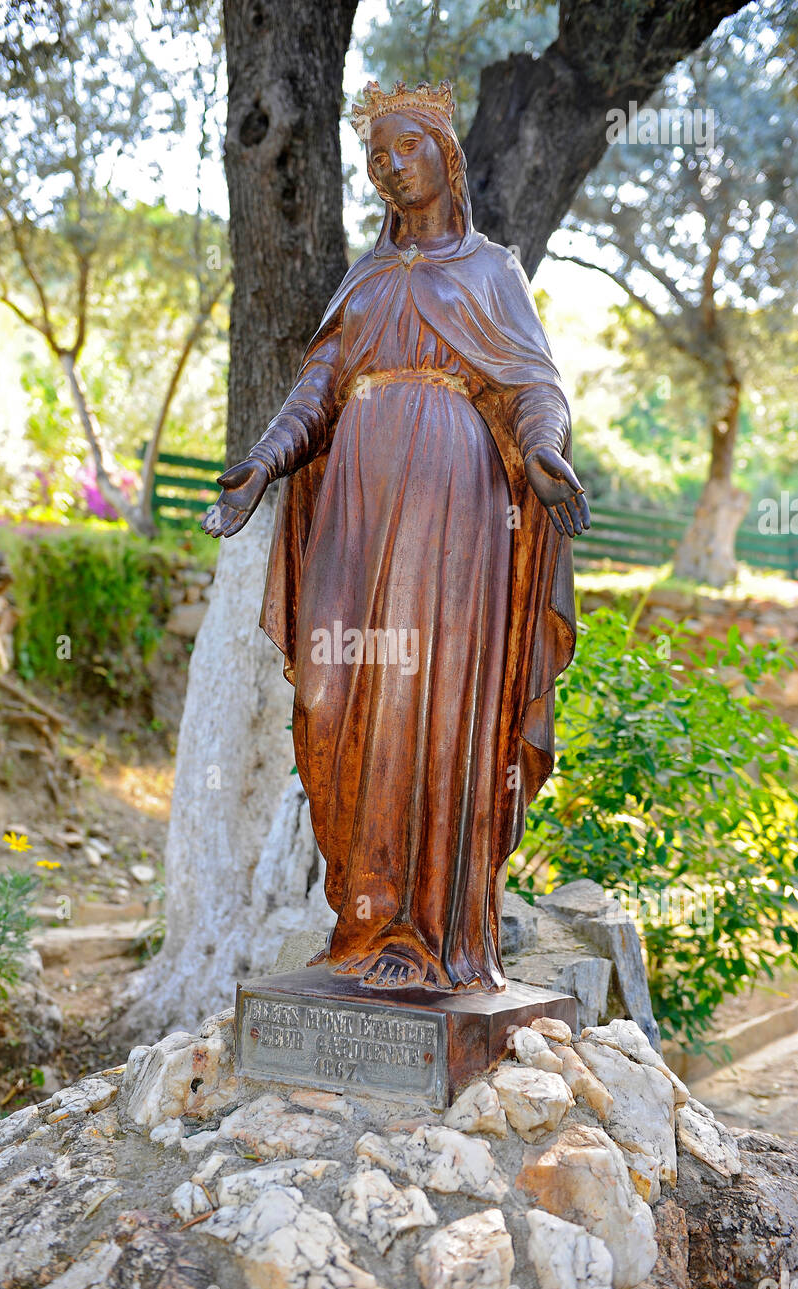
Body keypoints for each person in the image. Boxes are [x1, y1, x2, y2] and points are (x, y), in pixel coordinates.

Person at [202, 80, 589, 993]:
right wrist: (262, 463)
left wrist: (540, 451)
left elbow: (536, 386)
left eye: (401, 146)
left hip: (456, 509)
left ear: (444, 157)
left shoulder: (493, 272)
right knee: (332, 701)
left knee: (438, 704)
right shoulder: (366, 280)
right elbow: (320, 385)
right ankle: (366, 923)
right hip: (354, 505)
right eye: (373, 155)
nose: (384, 164)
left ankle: (433, 935)